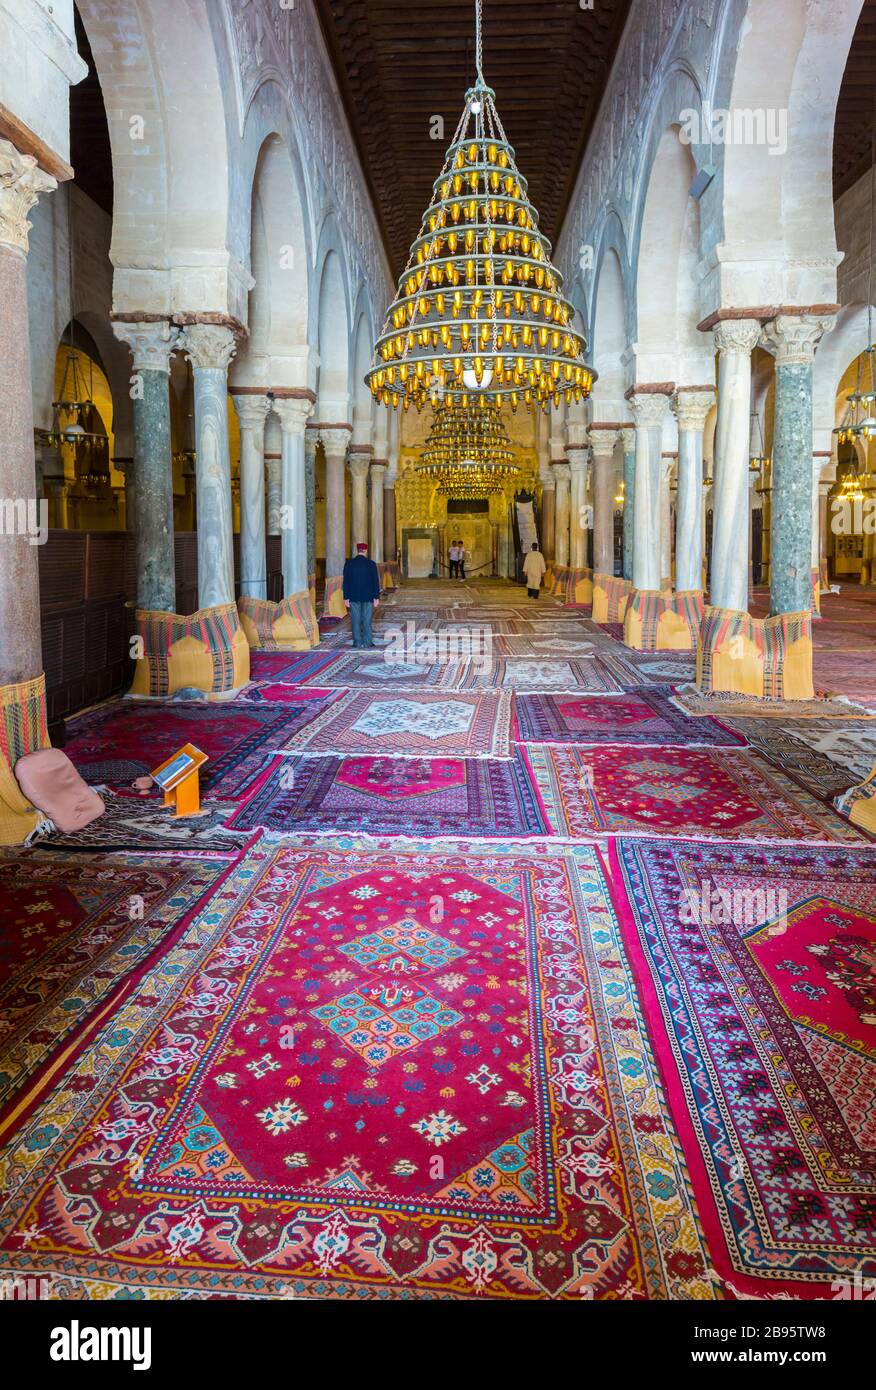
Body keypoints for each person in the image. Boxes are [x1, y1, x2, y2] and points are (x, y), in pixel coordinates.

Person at [343, 542, 381, 648]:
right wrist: (376, 597)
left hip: (353, 596)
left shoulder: (349, 564)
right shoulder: (371, 564)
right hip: (368, 597)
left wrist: (346, 597)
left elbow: (346, 582)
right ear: (365, 550)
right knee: (367, 619)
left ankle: (357, 642)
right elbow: (375, 582)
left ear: (357, 550)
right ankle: (368, 642)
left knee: (355, 620)